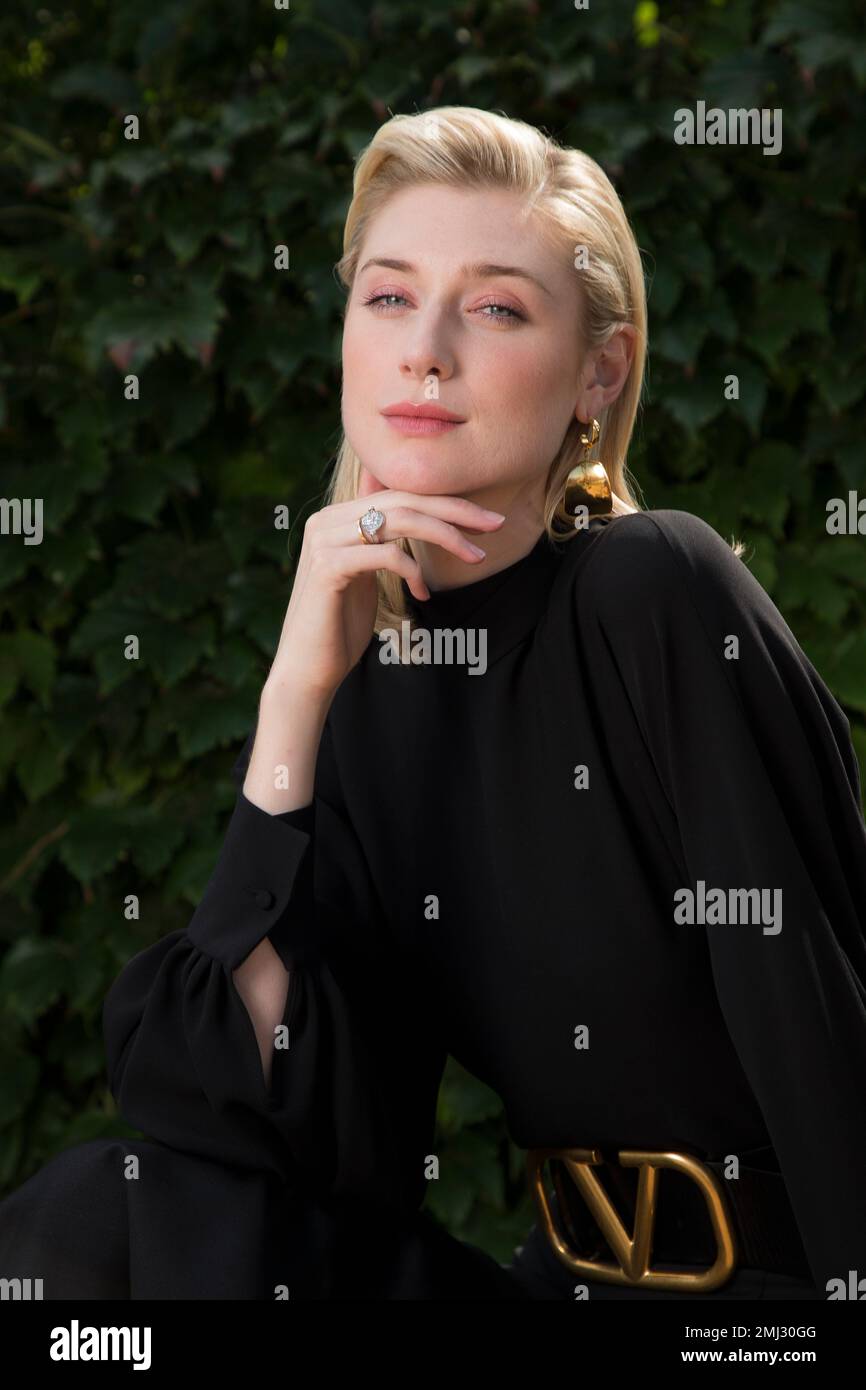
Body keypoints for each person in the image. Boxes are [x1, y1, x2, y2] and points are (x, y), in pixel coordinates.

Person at [2, 105, 865, 1301]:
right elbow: (255, 1127)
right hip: (546, 1292)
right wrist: (295, 695)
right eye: (389, 297)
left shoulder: (651, 589)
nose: (426, 351)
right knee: (104, 1218)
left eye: (496, 306)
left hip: (759, 1312)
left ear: (596, 370)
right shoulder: (367, 682)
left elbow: (817, 1028)